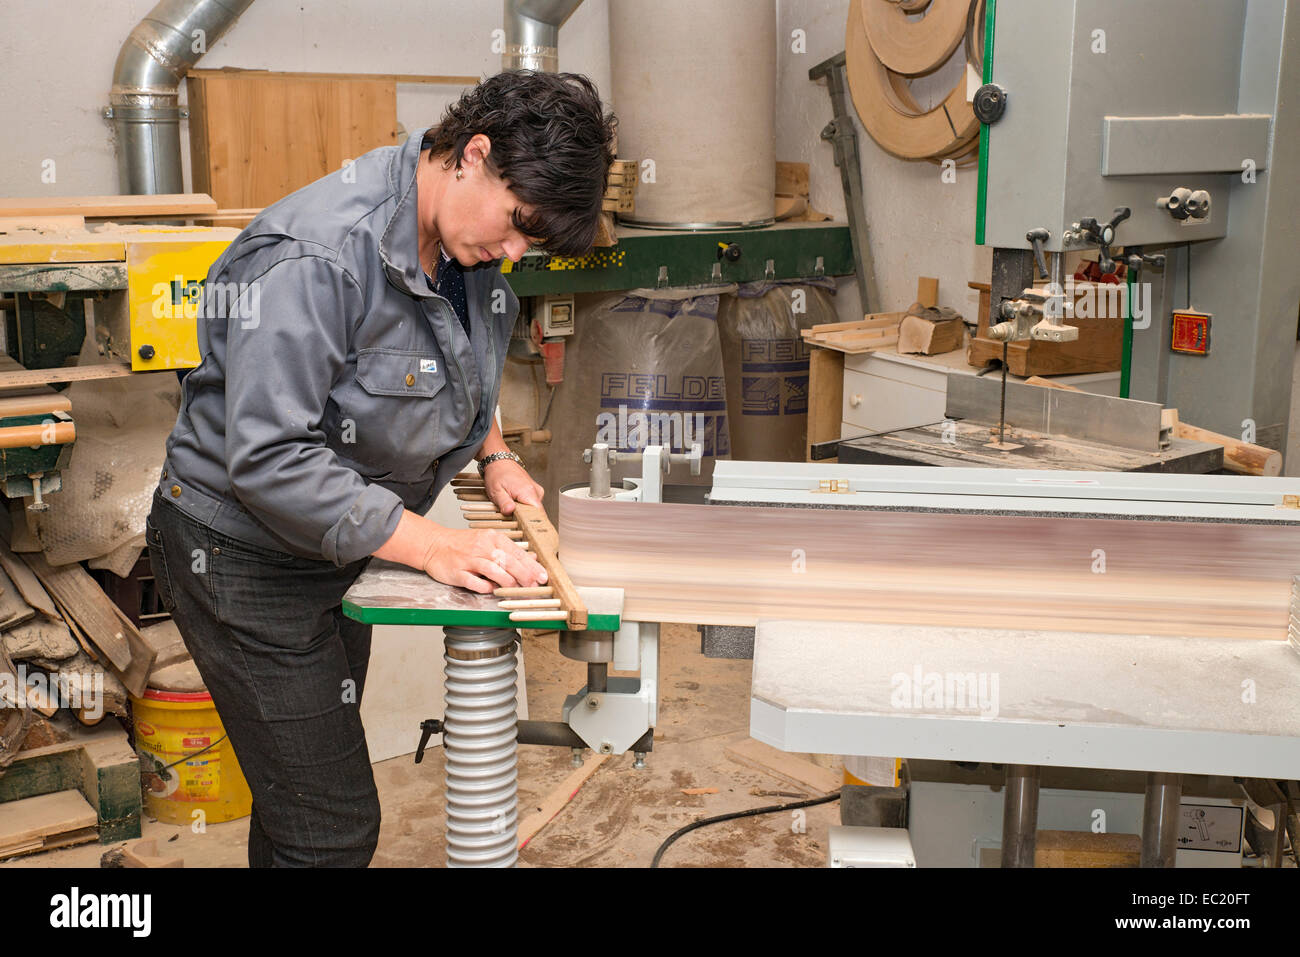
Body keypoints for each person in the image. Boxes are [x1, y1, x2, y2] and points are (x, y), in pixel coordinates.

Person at [146, 71, 616, 866]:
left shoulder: (464, 243)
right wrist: (434, 545)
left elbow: (447, 358)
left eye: (528, 244)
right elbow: (268, 457)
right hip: (240, 557)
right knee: (330, 828)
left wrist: (491, 450)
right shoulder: (318, 256)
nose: (512, 252)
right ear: (474, 153)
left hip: (336, 549)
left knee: (300, 798)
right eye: (515, 227)